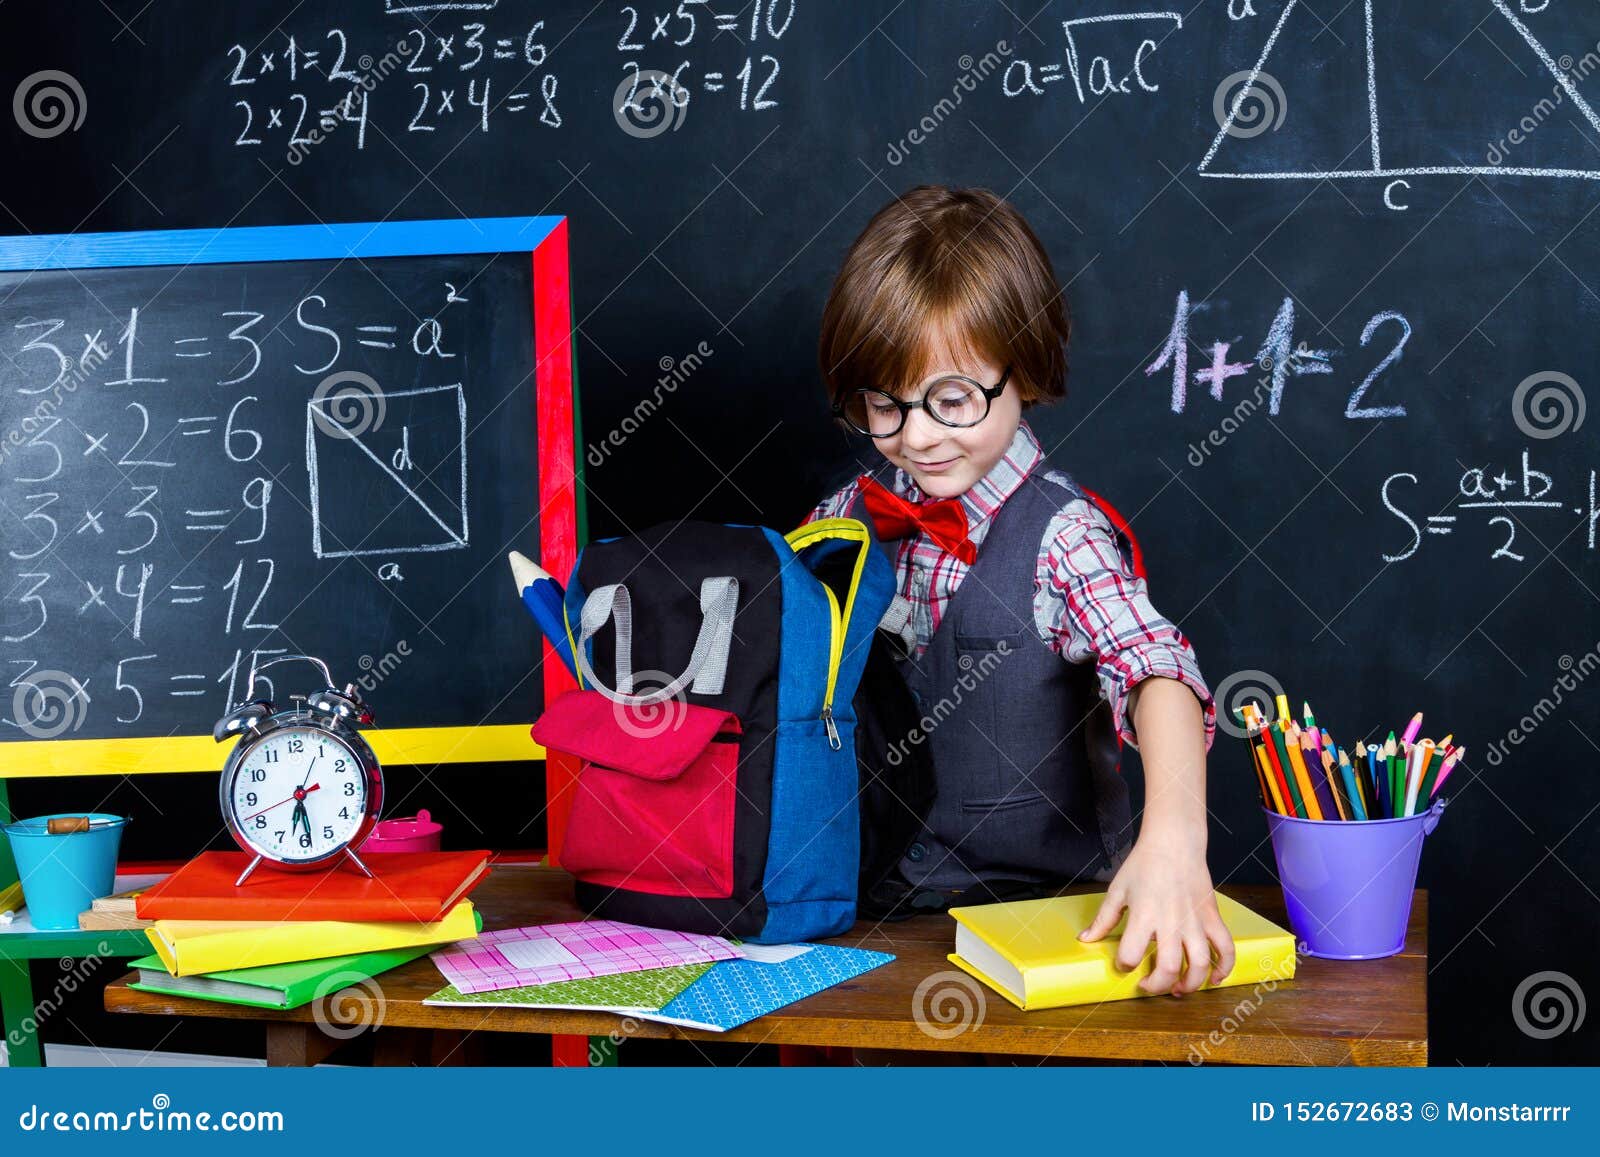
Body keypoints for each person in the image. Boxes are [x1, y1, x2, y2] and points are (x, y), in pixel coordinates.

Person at [805, 185, 1234, 996]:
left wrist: (1176, 836)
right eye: (884, 403)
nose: (918, 435)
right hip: (870, 933)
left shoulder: (1063, 537)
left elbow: (1156, 669)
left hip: (1047, 935)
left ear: (1025, 369)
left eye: (954, 398)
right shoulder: (843, 521)